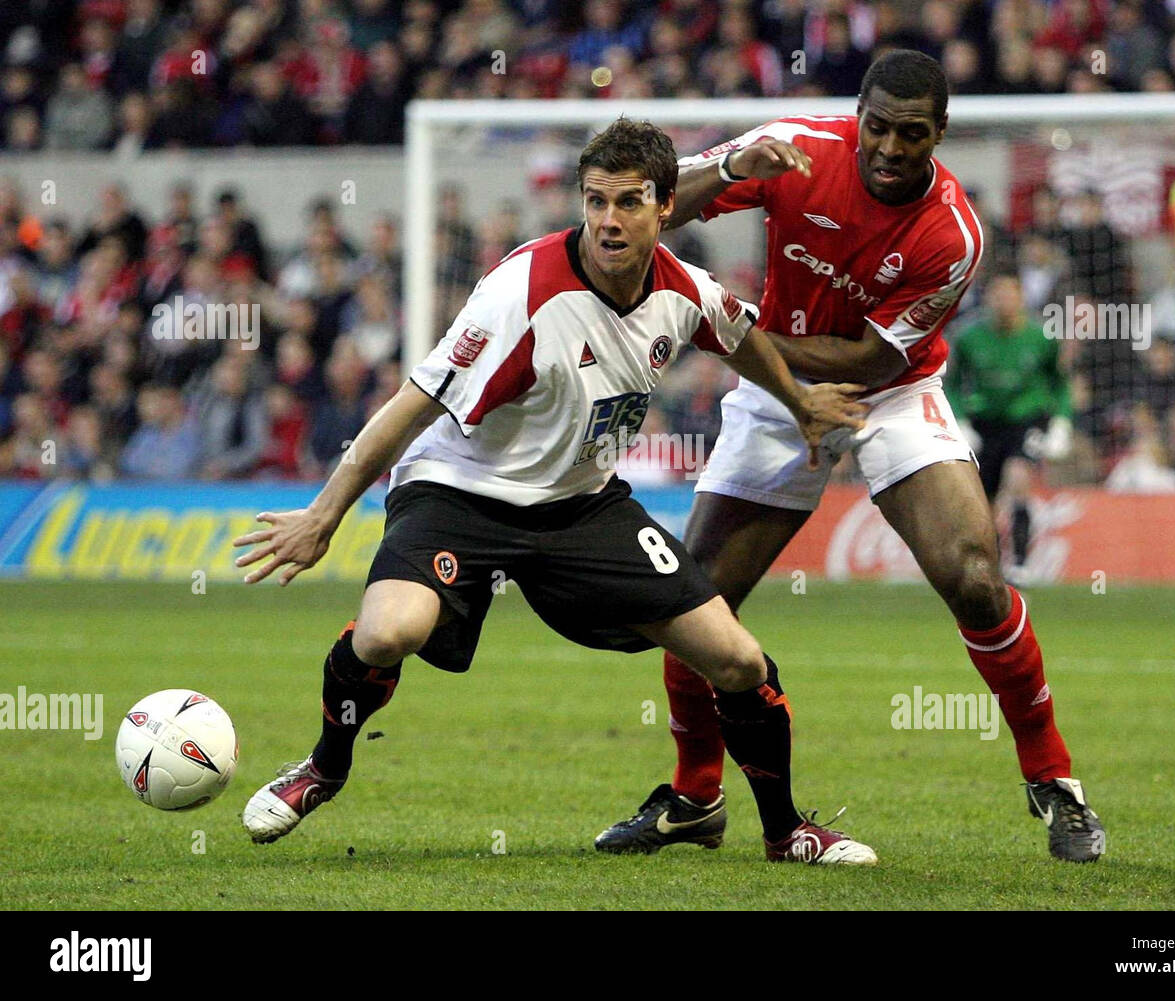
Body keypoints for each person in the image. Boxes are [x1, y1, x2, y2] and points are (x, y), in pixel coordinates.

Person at [233, 117, 876, 865]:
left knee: (735, 659)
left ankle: (785, 830)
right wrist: (324, 514)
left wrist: (801, 405)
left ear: (666, 206)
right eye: (596, 200)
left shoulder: (684, 290)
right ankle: (323, 766)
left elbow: (739, 337)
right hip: (460, 492)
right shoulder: (521, 294)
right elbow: (413, 403)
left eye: (629, 202)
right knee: (386, 633)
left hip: (580, 507)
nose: (609, 219)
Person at [594, 50, 1106, 863]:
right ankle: (695, 795)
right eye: (878, 127)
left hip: (889, 395)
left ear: (939, 133)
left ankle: (1053, 776)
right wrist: (731, 163)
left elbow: (869, 361)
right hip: (775, 395)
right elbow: (650, 202)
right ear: (857, 115)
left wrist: (744, 338)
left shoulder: (954, 234)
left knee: (974, 574)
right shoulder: (795, 147)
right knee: (691, 603)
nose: (891, 148)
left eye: (912, 134)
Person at [947, 272, 1072, 579]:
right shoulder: (967, 337)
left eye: (1010, 294)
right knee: (984, 496)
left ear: (1021, 298)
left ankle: (1020, 563)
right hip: (984, 421)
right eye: (997, 294)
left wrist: (1062, 422)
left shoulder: (1041, 338)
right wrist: (960, 418)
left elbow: (1060, 384)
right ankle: (991, 563)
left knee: (1018, 480)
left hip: (1026, 419)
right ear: (987, 298)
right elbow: (950, 383)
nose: (1003, 301)